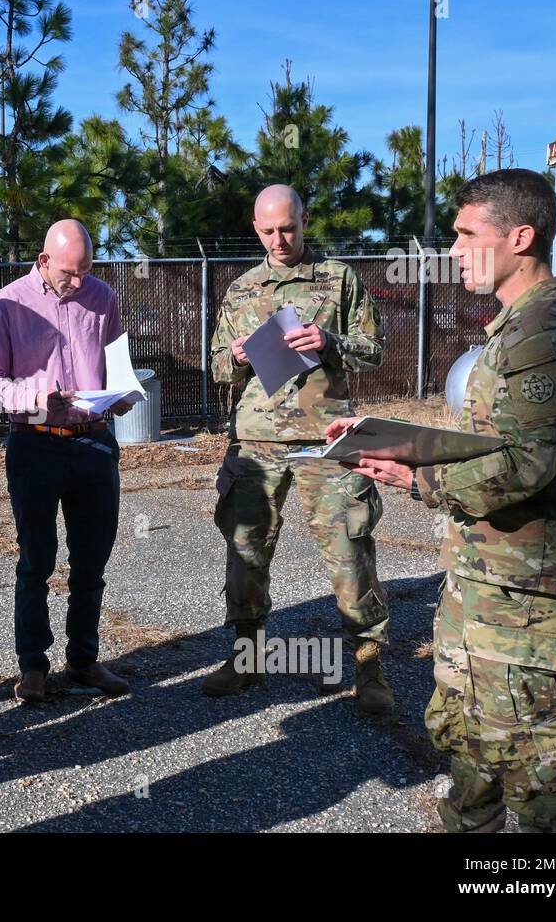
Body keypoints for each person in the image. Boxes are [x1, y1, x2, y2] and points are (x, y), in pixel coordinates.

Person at [333, 168, 556, 832]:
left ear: (520, 236)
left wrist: (415, 476)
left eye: (464, 234)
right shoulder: (518, 325)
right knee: (468, 733)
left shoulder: (544, 332)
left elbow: (524, 466)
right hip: (487, 572)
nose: (452, 250)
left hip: (525, 584)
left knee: (535, 757)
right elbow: (497, 440)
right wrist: (398, 439)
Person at [204, 185, 393, 717]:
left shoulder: (339, 279)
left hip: (327, 441)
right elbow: (216, 364)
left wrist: (329, 343)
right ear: (255, 228)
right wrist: (237, 356)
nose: (279, 239)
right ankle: (246, 658)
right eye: (267, 230)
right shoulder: (241, 289)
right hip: (255, 442)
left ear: (305, 220)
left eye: (287, 227)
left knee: (349, 551)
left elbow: (375, 351)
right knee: (245, 553)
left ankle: (368, 664)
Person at [0, 219, 133, 704]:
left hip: (94, 443)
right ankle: (33, 667)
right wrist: (39, 399)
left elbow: (117, 366)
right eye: (70, 272)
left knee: (92, 560)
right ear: (43, 261)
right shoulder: (8, 302)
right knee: (36, 561)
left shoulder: (102, 297)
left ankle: (84, 660)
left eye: (87, 270)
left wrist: (124, 393)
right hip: (36, 443)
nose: (79, 282)